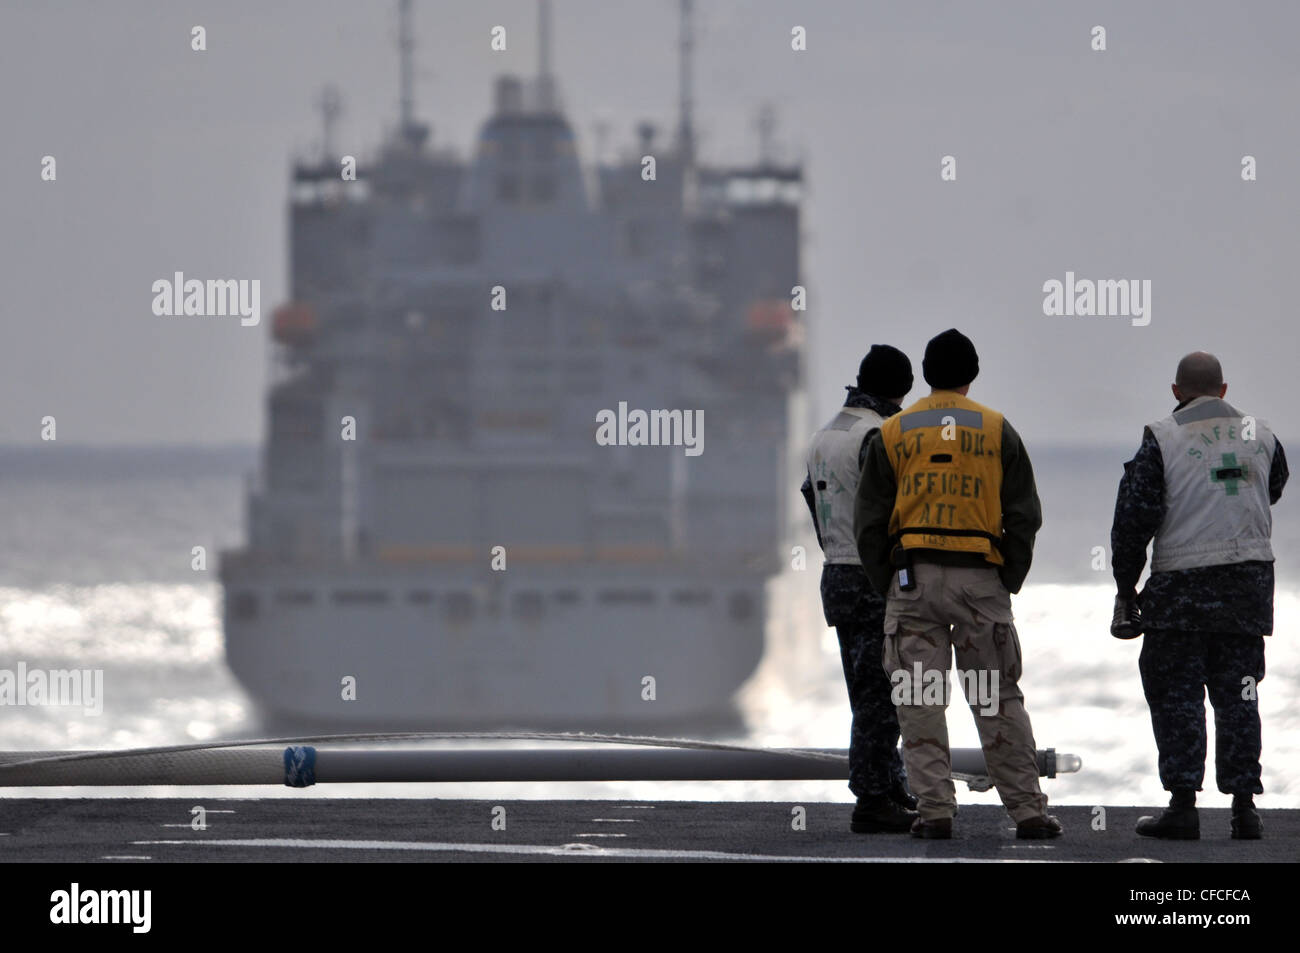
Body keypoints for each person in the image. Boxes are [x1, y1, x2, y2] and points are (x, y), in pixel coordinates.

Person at [854, 328, 1061, 839]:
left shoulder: (895, 431)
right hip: (980, 582)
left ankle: (935, 813)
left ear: (924, 376)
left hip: (913, 581)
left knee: (919, 700)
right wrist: (1006, 576)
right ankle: (1028, 813)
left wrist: (890, 584)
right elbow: (1024, 514)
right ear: (971, 376)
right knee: (996, 699)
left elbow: (868, 521)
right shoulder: (996, 429)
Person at [1110, 351, 1288, 840]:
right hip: (1248, 590)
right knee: (1240, 696)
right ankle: (1244, 809)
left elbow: (1134, 520)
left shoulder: (1163, 437)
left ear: (1176, 392)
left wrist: (1127, 588)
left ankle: (1183, 806)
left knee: (1177, 696)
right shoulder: (1264, 434)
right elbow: (1270, 489)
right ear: (1225, 390)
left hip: (1181, 590)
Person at [802, 345, 918, 833]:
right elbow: (891, 506)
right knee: (883, 695)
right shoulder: (877, 434)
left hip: (837, 572)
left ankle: (891, 786)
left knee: (865, 691)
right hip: (874, 576)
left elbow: (812, 497)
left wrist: (836, 547)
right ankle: (872, 799)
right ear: (900, 389)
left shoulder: (827, 433)